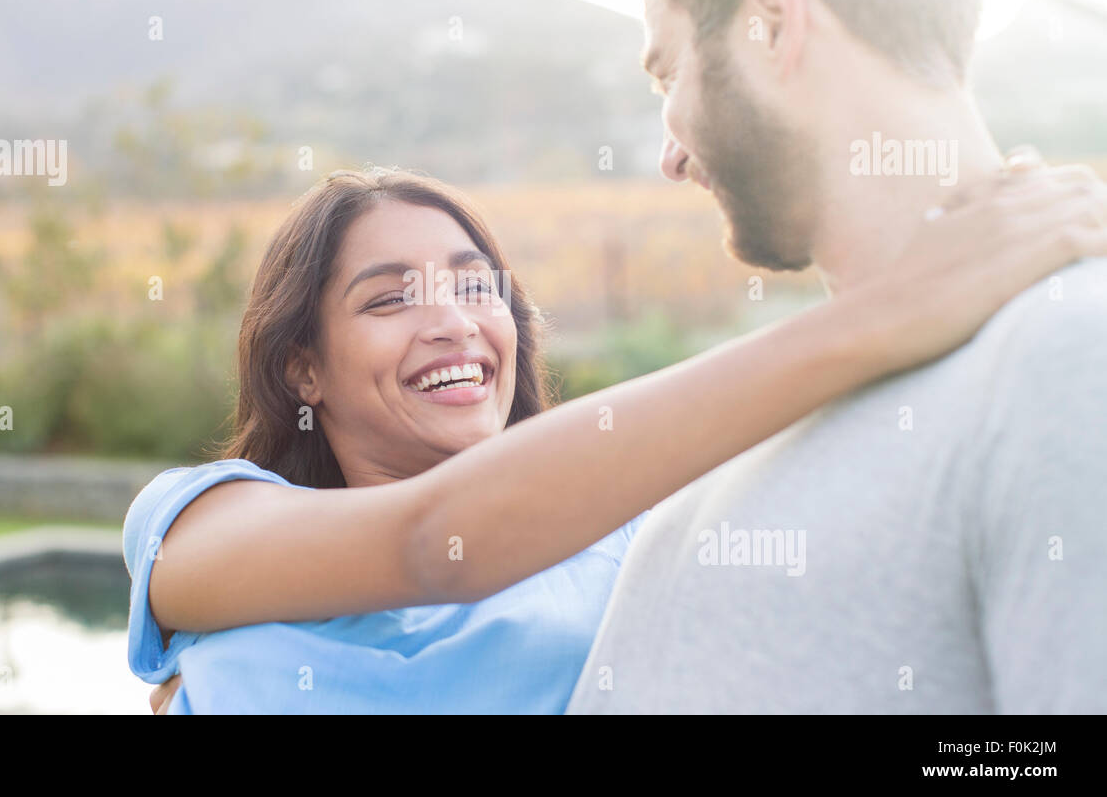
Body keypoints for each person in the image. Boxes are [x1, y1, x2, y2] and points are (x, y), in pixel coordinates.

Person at [125, 160, 1105, 712]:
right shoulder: (199, 520)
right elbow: (433, 542)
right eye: (389, 298)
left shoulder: (641, 550)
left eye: (477, 285)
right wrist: (891, 309)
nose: (454, 321)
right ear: (303, 365)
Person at [567, 0, 1107, 714]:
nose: (668, 156)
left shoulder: (1070, 354)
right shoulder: (762, 409)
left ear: (771, 20)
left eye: (669, 74)